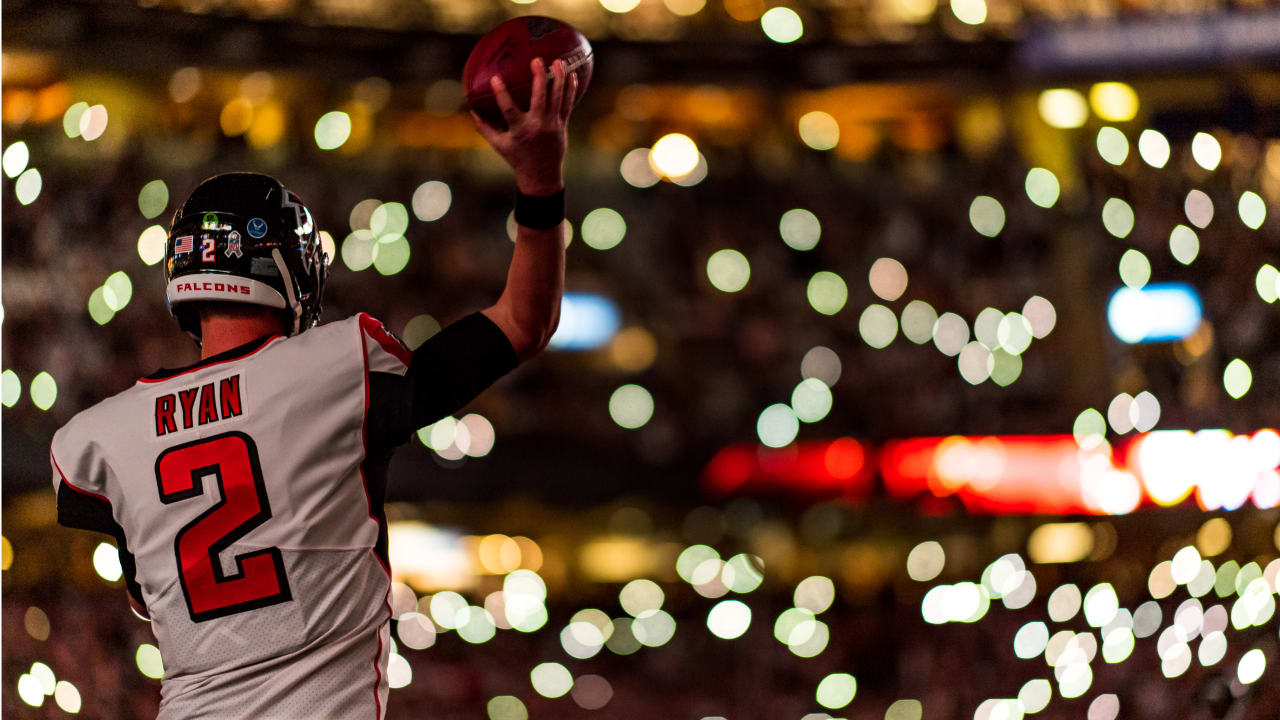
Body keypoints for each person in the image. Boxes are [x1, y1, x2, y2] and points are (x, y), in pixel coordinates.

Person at [49, 59, 579, 719]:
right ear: (290, 270)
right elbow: (525, 323)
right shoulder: (338, 368)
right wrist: (540, 178)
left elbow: (154, 595)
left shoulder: (104, 435)